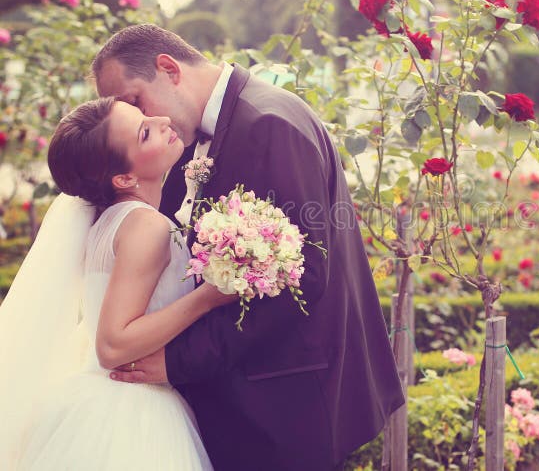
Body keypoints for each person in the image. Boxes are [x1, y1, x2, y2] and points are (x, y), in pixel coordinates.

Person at [92, 24, 405, 470]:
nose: (144, 121)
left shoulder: (268, 125)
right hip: (246, 399)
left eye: (135, 101)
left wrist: (177, 361)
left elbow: (301, 278)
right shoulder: (193, 134)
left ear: (168, 68)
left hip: (284, 405)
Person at [0, 97, 237, 469]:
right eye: (145, 132)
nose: (162, 119)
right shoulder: (146, 225)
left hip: (97, 397)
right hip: (132, 414)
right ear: (124, 178)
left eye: (145, 118)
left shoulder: (110, 221)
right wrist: (207, 298)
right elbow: (113, 344)